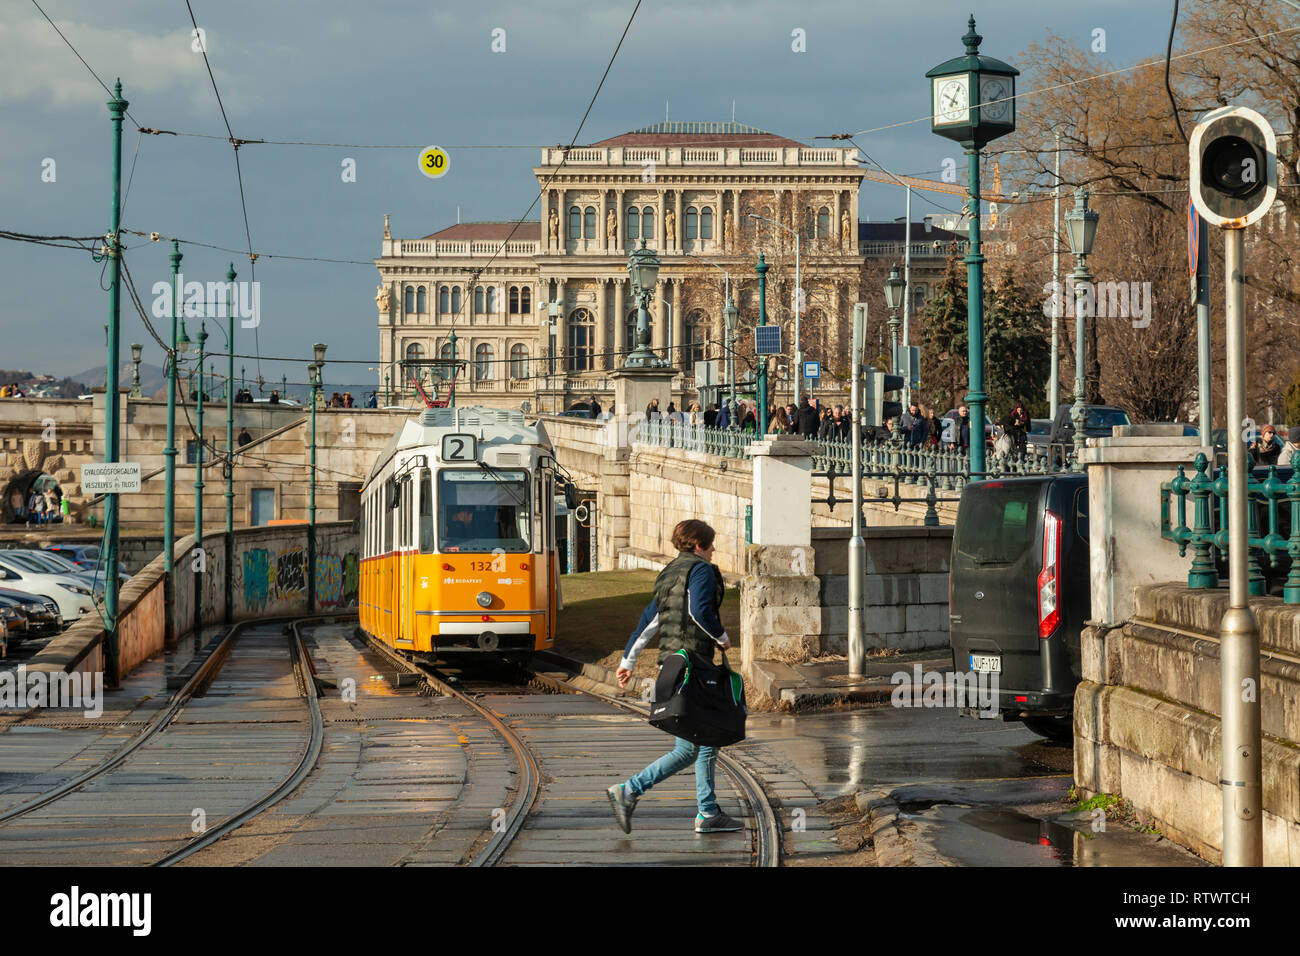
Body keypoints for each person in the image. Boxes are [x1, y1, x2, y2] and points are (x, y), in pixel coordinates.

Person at [606, 519, 741, 835]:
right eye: (710, 545)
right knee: (701, 741)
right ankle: (701, 811)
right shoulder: (702, 570)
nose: (713, 551)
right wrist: (721, 638)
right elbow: (699, 612)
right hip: (694, 666)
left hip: (673, 667)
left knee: (695, 745)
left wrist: (629, 659)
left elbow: (649, 620)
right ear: (698, 546)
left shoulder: (668, 573)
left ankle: (696, 808)